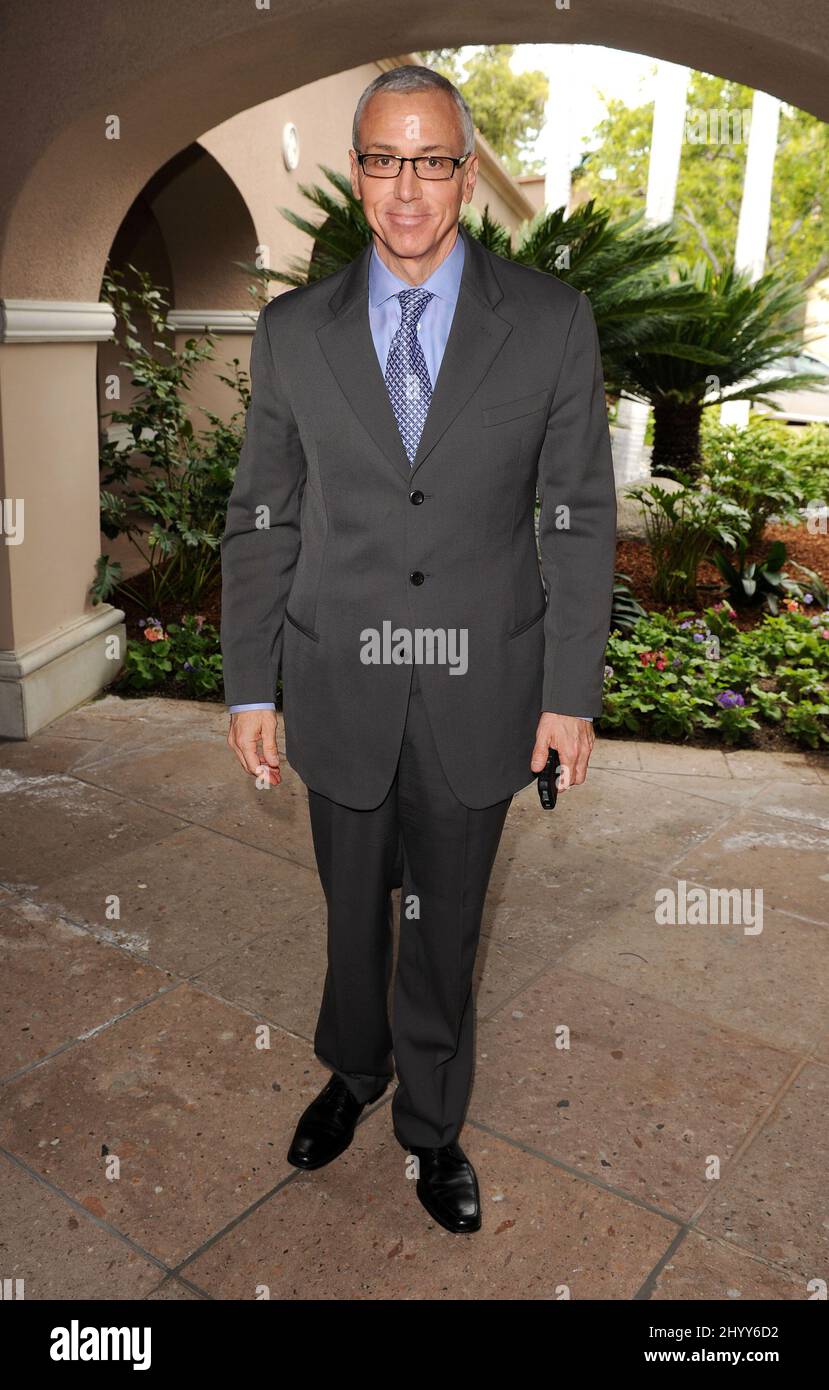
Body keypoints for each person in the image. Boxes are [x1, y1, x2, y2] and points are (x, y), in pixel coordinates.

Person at [220, 64, 616, 1234]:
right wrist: (249, 681)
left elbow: (577, 516)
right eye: (384, 160)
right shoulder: (293, 332)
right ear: (357, 174)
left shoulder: (548, 321)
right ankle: (353, 1068)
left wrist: (568, 692)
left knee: (444, 920)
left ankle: (430, 1126)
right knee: (353, 913)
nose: (407, 188)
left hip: (481, 680)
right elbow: (264, 512)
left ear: (465, 175)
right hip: (336, 675)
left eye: (432, 160)